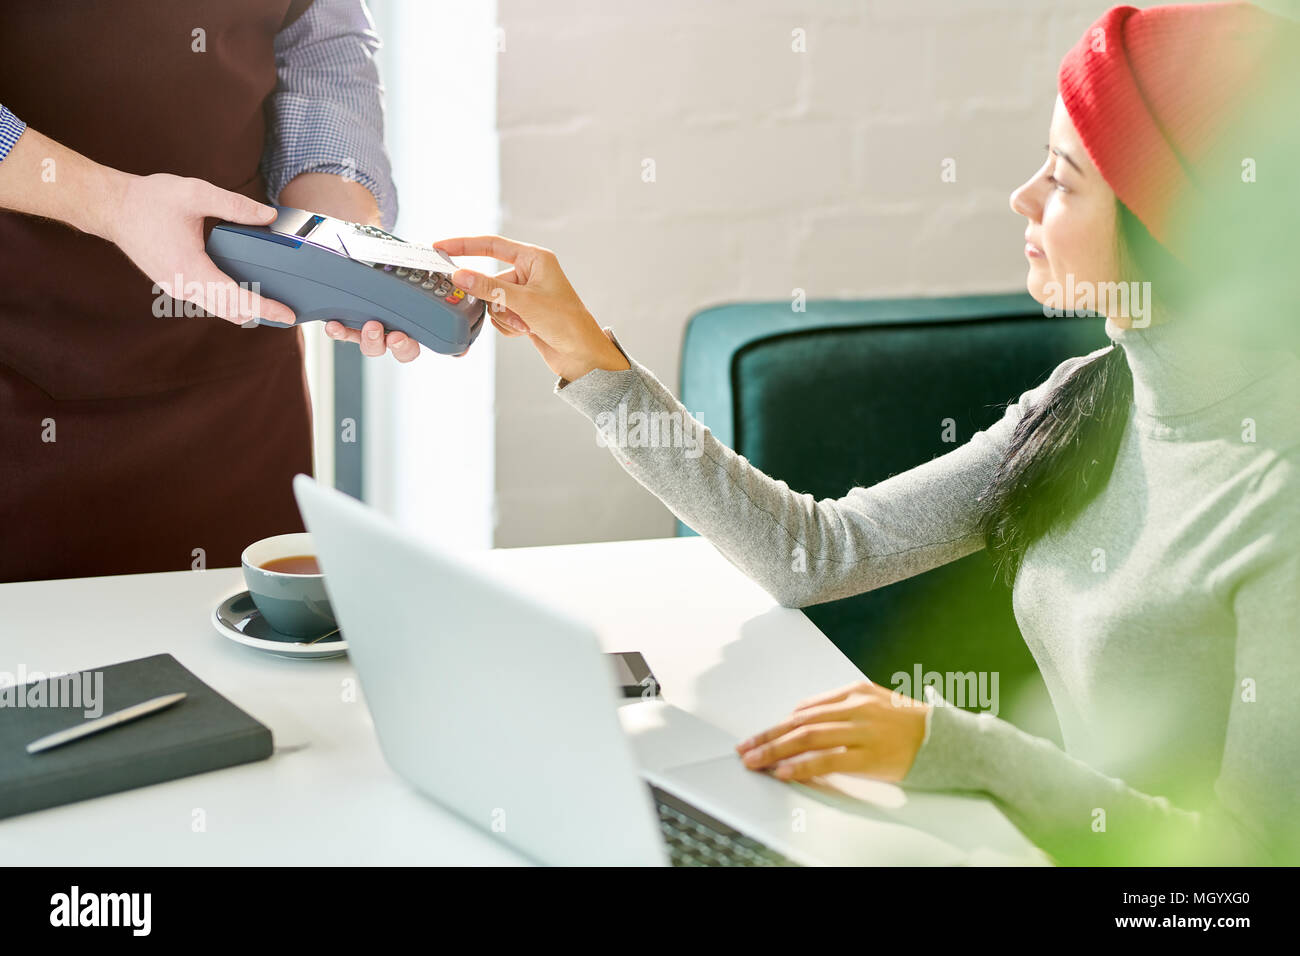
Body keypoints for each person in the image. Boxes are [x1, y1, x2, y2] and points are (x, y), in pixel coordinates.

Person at [436, 3, 1300, 864]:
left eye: (1065, 179)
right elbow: (815, 550)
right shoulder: (1094, 394)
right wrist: (589, 356)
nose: (1022, 196)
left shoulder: (1278, 497)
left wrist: (962, 749)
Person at [0, 0, 419, 583]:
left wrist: (334, 221)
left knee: (256, 648)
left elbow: (320, 34)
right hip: (21, 378)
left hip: (240, 375)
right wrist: (112, 204)